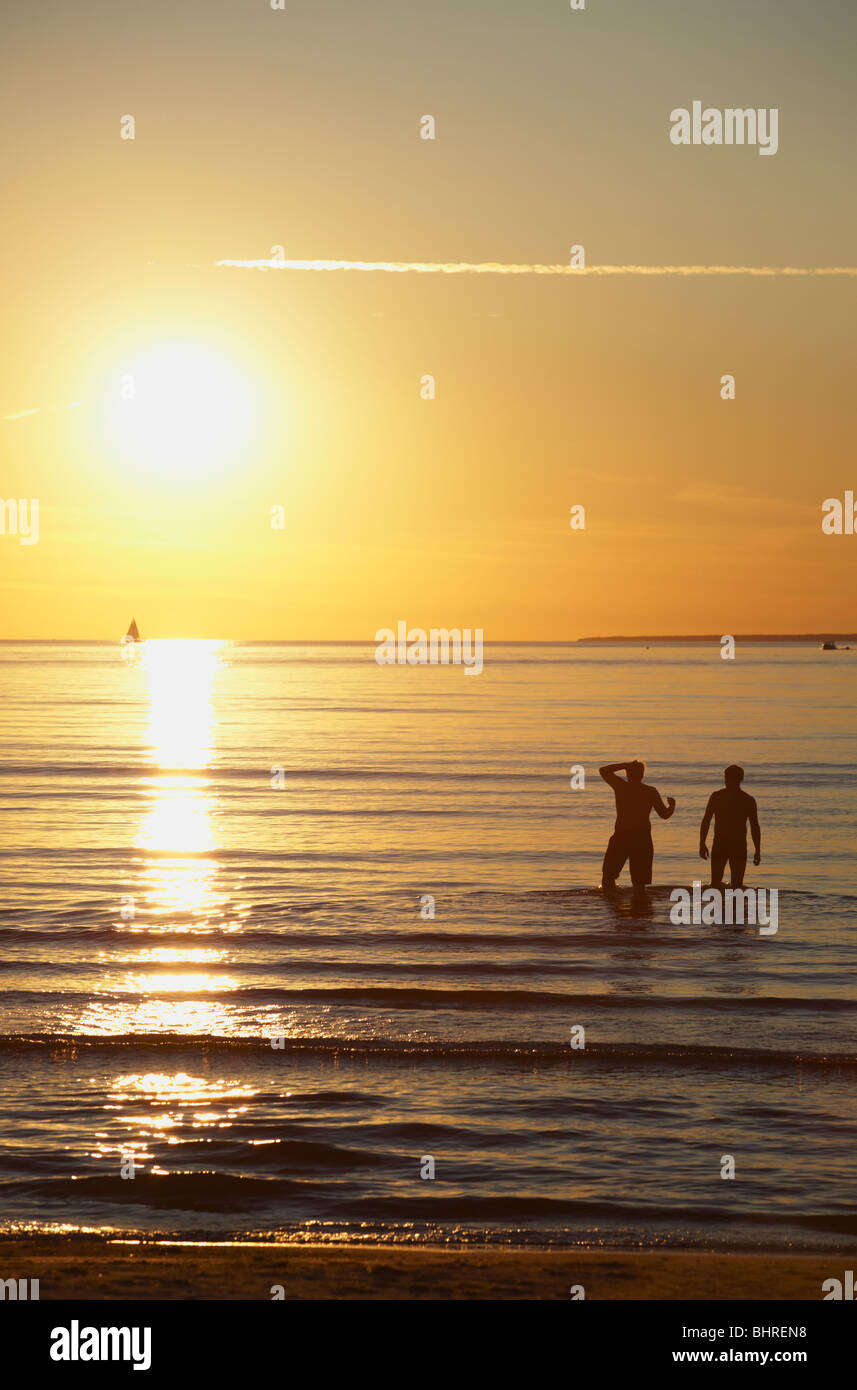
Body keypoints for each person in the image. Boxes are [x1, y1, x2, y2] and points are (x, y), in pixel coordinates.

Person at [599, 760, 676, 890]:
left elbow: (603, 770)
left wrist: (625, 765)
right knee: (639, 884)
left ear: (627, 773)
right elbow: (664, 815)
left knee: (608, 877)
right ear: (642, 774)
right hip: (642, 838)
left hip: (622, 836)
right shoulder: (650, 791)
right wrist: (672, 805)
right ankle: (640, 908)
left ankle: (611, 906)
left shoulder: (621, 786)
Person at [699, 765, 760, 888]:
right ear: (741, 779)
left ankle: (719, 905)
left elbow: (706, 821)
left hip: (722, 843)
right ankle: (734, 905)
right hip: (737, 844)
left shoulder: (717, 796)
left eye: (726, 778)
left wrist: (702, 843)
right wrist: (757, 850)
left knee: (715, 885)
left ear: (727, 778)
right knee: (736, 886)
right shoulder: (748, 800)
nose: (726, 781)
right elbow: (755, 827)